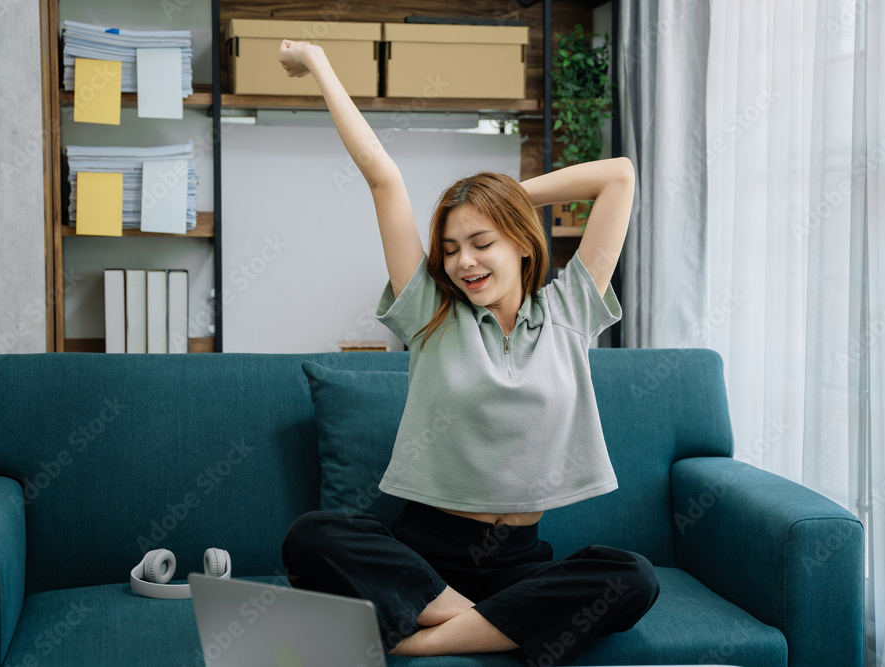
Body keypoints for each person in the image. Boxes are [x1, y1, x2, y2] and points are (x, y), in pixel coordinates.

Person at [277, 39, 659, 666]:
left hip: (519, 560)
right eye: (450, 250)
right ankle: (483, 628)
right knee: (313, 536)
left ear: (521, 243)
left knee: (634, 577)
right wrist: (318, 64)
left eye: (481, 240)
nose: (463, 262)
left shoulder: (569, 312)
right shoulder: (433, 314)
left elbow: (618, 174)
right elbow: (383, 175)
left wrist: (501, 198)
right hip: (427, 550)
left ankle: (412, 641)